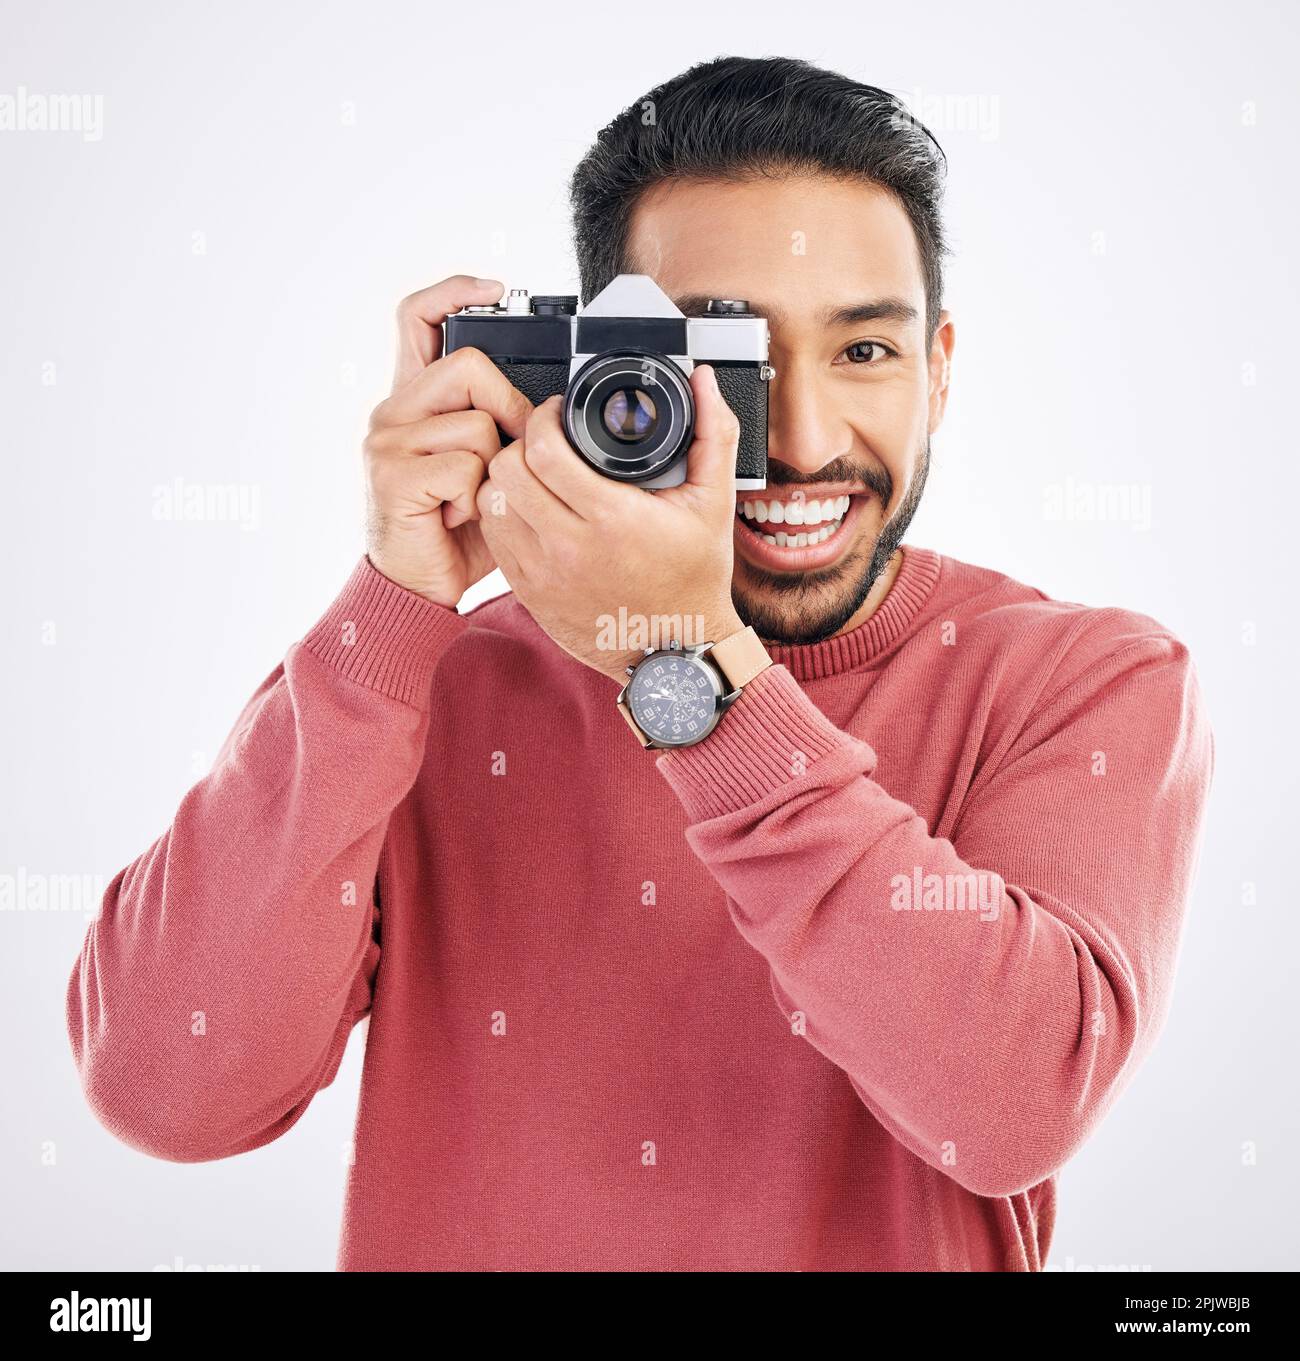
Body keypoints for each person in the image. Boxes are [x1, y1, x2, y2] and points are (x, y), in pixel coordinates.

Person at [66, 55, 1212, 1271]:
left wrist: (681, 664)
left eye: (863, 354)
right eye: (730, 360)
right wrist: (397, 599)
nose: (804, 441)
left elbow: (1010, 1104)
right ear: (596, 368)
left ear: (938, 367)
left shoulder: (1087, 681)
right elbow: (163, 1089)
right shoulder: (436, 680)